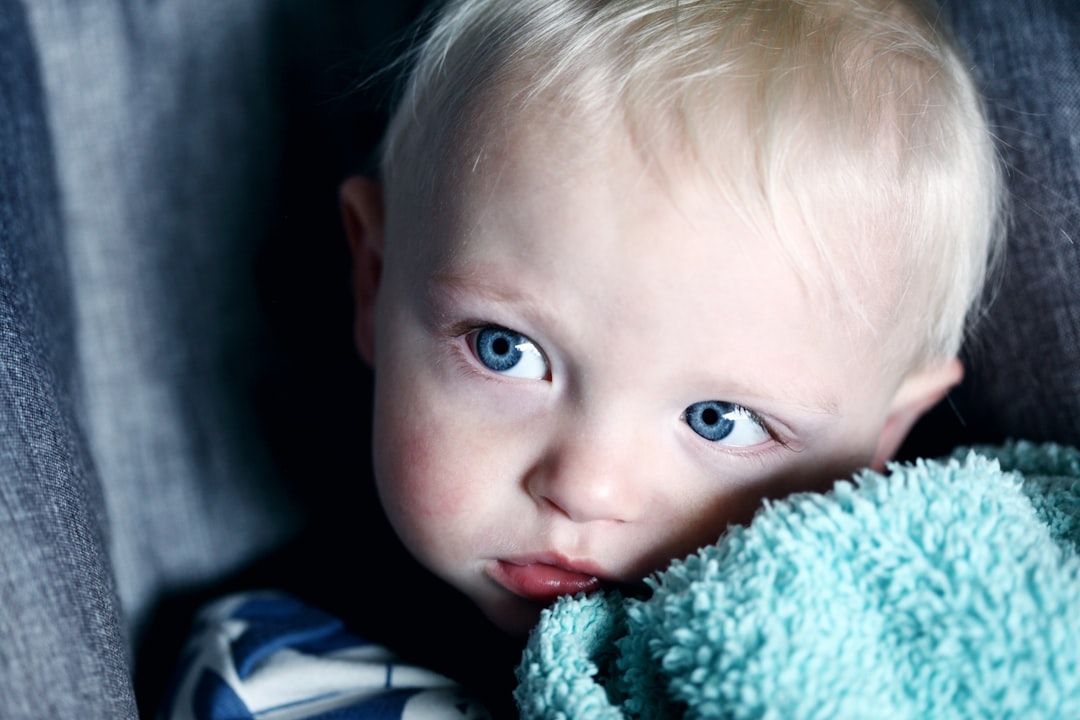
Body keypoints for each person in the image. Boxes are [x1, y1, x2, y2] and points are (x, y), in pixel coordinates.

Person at [159, 0, 1004, 716]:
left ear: (886, 433)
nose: (587, 487)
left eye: (721, 419)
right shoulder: (277, 670)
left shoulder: (920, 650)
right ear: (374, 281)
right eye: (507, 351)